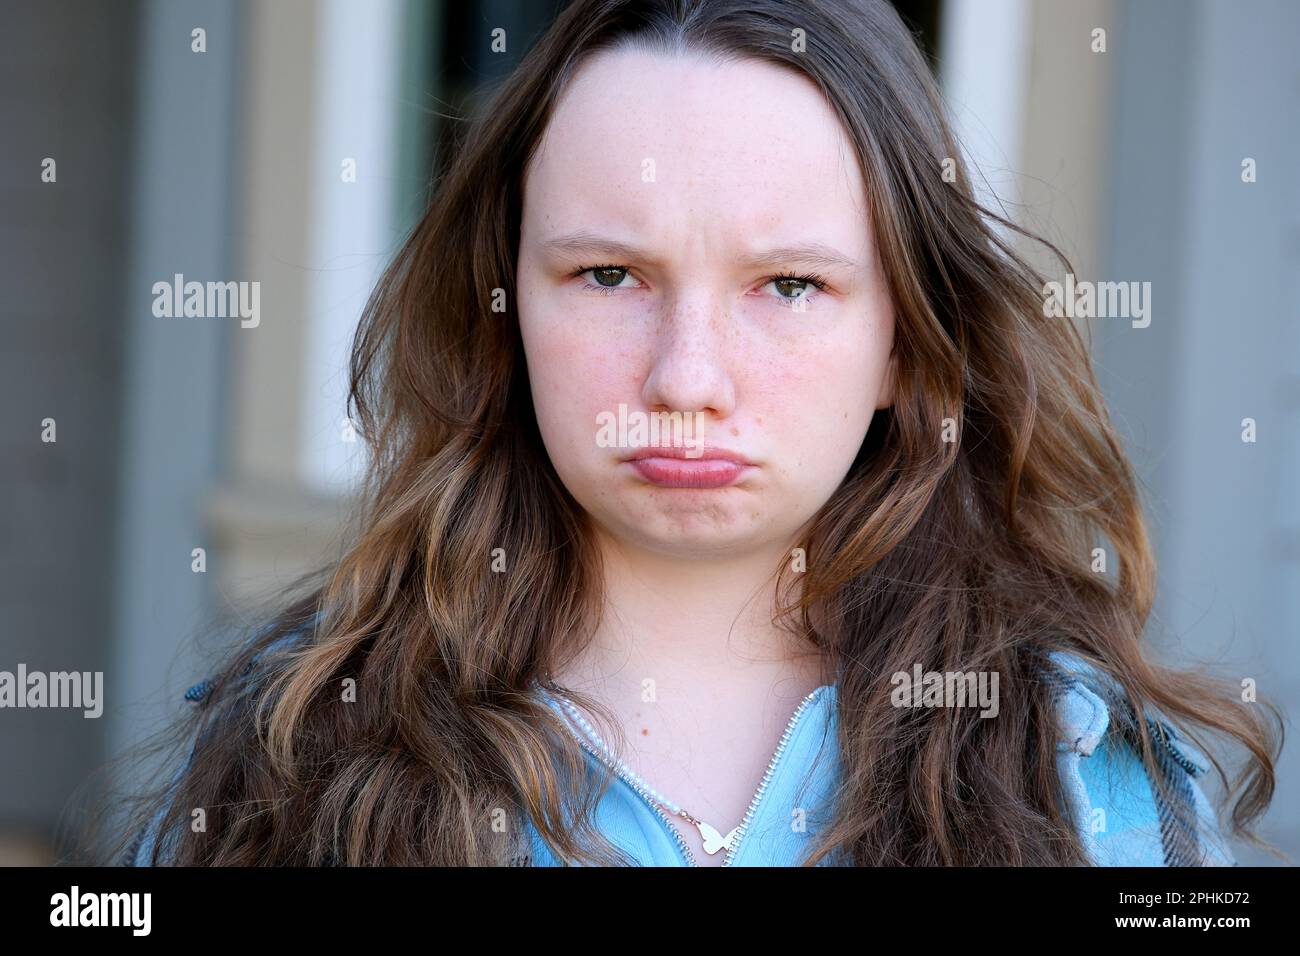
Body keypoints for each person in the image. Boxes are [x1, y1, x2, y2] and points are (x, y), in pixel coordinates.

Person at [117, 0, 1279, 867]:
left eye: (786, 285)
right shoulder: (293, 748)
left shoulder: (1086, 780)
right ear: (504, 303)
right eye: (609, 272)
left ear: (907, 344)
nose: (685, 376)